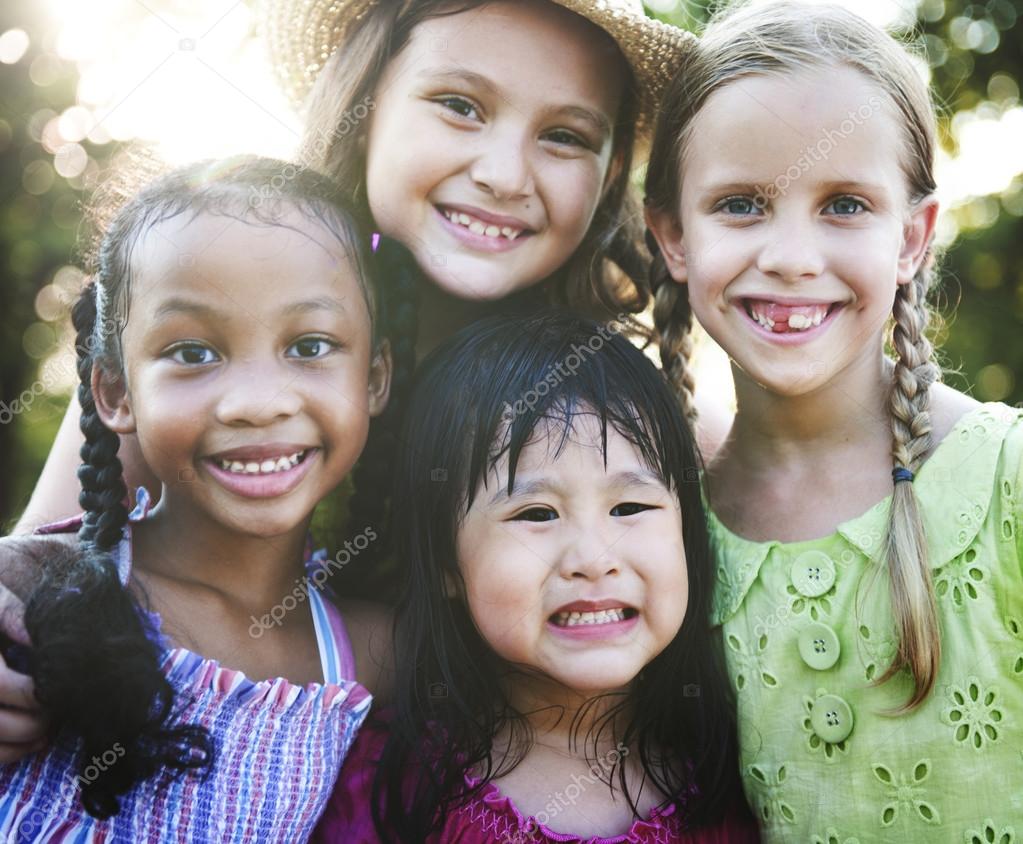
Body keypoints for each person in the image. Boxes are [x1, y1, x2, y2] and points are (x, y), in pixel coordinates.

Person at [1, 0, 726, 765]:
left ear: (608, 175)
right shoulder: (200, 345)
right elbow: (36, 567)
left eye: (564, 136)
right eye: (459, 106)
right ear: (366, 107)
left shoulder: (627, 411)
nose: (503, 174)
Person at [643, 3, 1023, 840]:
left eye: (844, 204)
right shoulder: (655, 528)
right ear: (672, 235)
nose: (790, 258)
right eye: (739, 204)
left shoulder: (1007, 480)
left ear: (911, 238)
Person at [0, 156, 402, 840]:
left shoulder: (375, 653)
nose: (256, 403)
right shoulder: (39, 589)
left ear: (374, 378)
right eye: (193, 353)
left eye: (309, 345)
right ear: (115, 392)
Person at [316, 312, 758, 842]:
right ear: (444, 564)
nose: (593, 558)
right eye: (537, 514)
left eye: (630, 507)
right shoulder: (387, 788)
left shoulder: (735, 775)